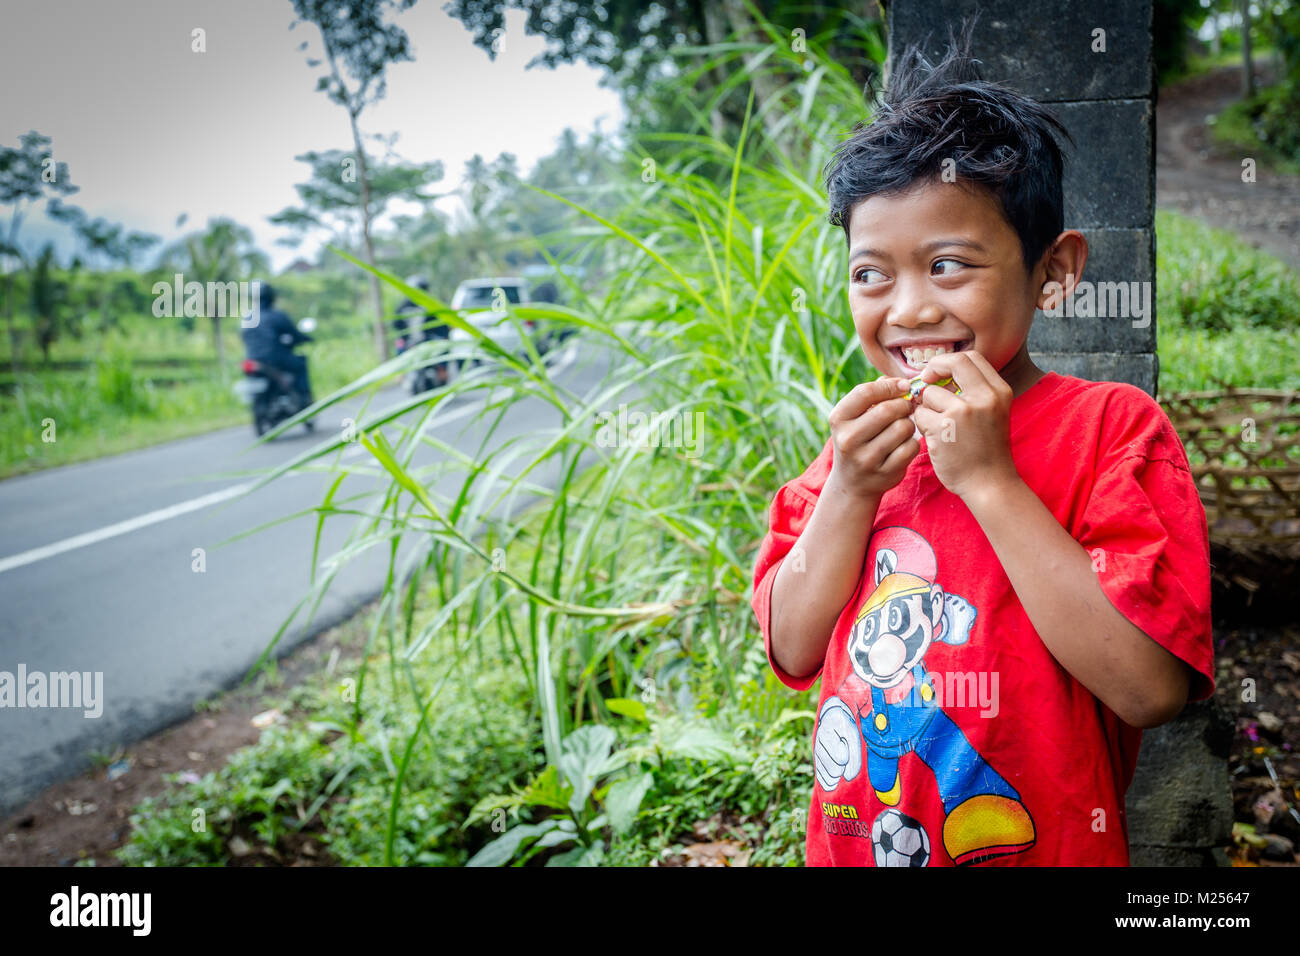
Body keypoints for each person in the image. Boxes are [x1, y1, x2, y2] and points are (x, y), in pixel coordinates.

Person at [750, 30, 1213, 867]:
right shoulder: (857, 455)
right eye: (871, 274)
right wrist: (852, 492)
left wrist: (991, 482)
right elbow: (790, 645)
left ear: (1054, 269)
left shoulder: (1113, 429)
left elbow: (1149, 689)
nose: (910, 309)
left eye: (950, 264)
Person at [240, 281, 313, 403]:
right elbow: (294, 334)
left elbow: (244, 337)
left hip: (252, 361)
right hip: (276, 360)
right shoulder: (277, 316)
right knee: (301, 364)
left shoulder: (247, 319)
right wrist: (306, 338)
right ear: (270, 297)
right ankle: (305, 398)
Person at [394, 275, 450, 386]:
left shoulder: (431, 304)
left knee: (443, 346)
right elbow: (396, 325)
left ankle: (442, 370)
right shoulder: (403, 306)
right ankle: (401, 371)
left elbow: (442, 324)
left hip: (430, 339)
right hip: (410, 341)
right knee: (399, 345)